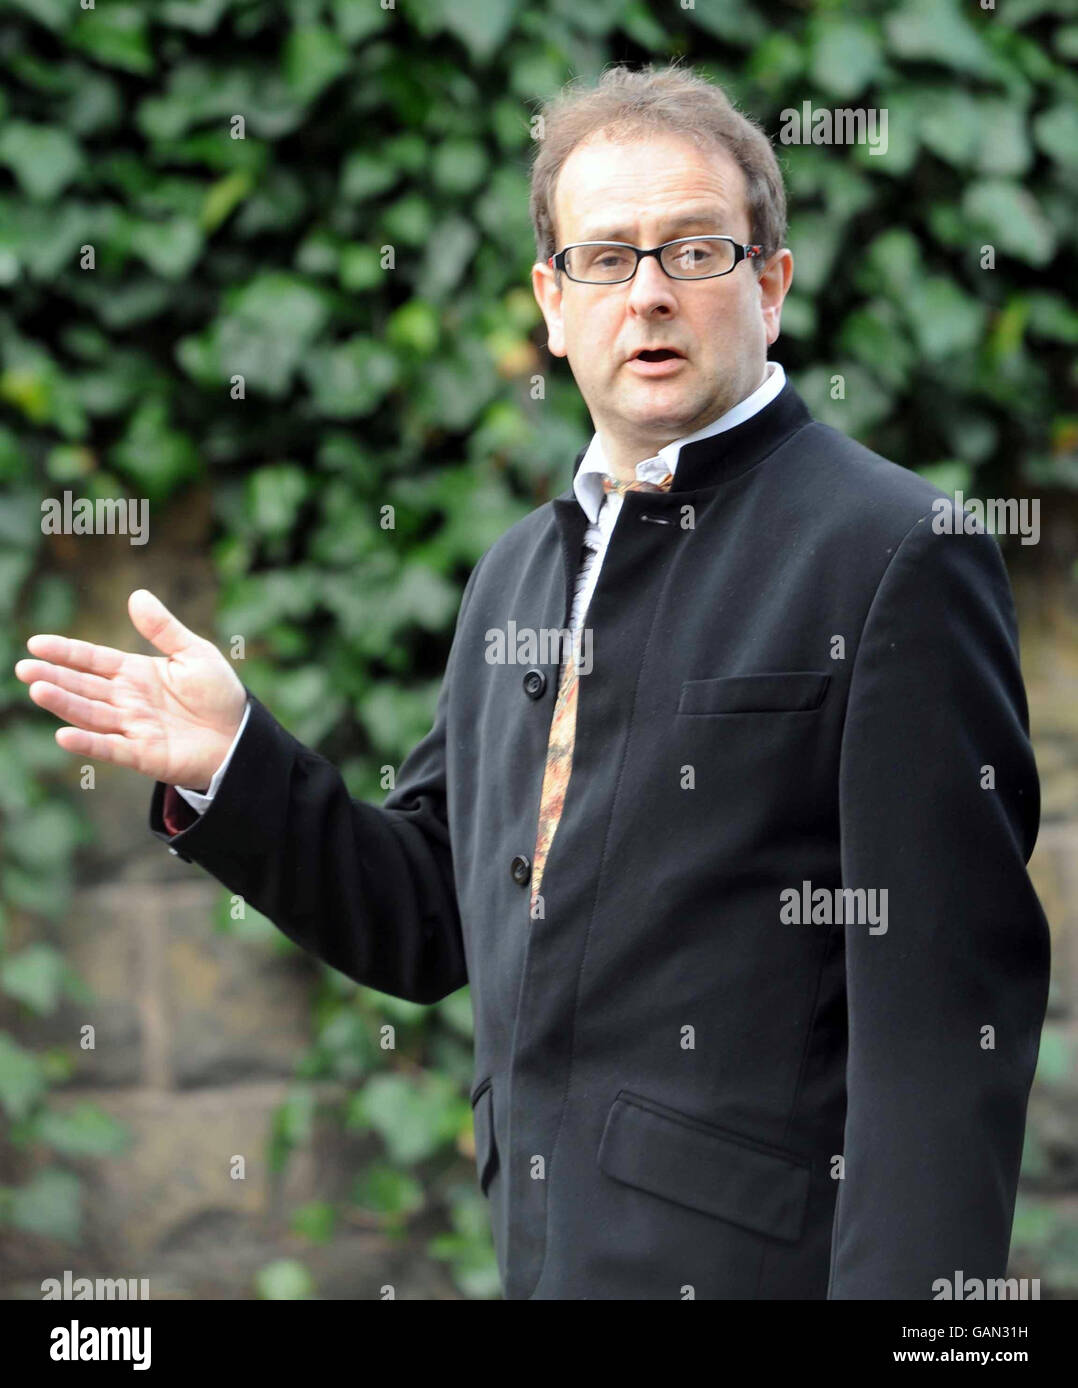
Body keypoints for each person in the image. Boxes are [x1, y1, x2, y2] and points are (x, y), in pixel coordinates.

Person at [15, 65, 1049, 1300]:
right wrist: (238, 769)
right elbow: (430, 919)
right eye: (605, 259)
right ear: (552, 304)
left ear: (770, 285)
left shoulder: (893, 551)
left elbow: (940, 1036)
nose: (650, 294)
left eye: (696, 252)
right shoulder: (515, 573)